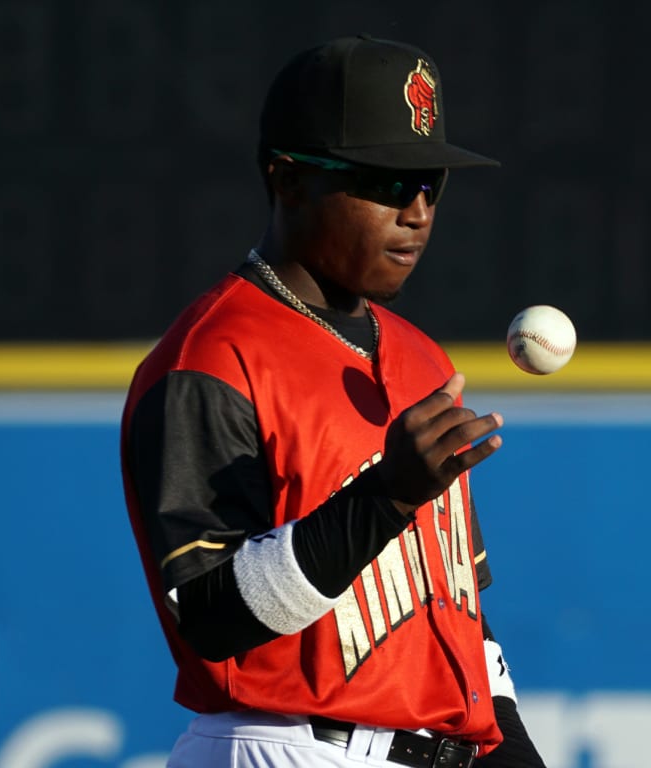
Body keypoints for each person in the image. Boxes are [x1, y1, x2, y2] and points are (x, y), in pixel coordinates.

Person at [119, 34, 548, 768]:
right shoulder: (212, 357)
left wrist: (508, 751)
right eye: (386, 181)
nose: (416, 209)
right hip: (280, 745)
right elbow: (210, 616)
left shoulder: (421, 358)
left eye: (431, 183)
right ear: (288, 180)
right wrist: (382, 498)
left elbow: (457, 615)